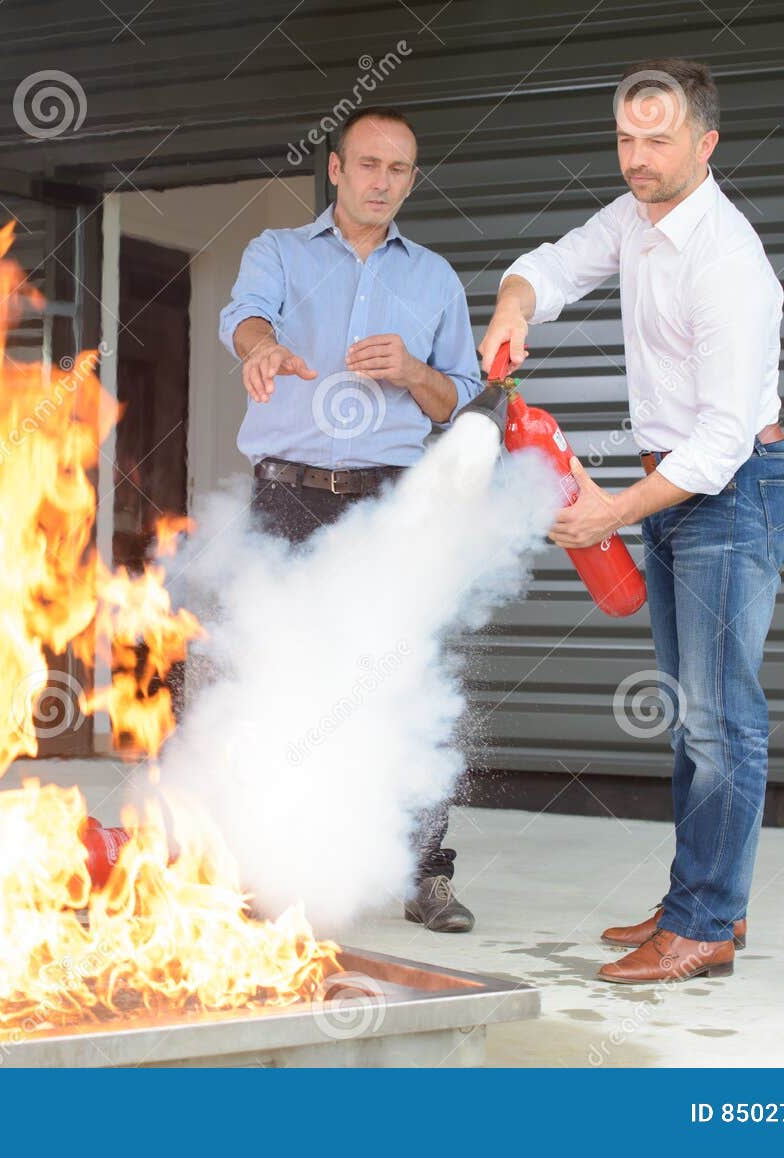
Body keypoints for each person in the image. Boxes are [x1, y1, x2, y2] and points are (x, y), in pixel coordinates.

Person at [480, 58, 784, 984]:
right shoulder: (634, 217)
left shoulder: (726, 260)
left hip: (732, 490)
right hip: (674, 488)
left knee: (721, 722)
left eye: (657, 141)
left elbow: (721, 443)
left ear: (705, 143)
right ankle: (700, 903)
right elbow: (550, 265)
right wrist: (513, 303)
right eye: (626, 138)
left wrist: (612, 512)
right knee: (691, 720)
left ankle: (704, 927)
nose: (637, 158)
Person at [219, 106, 484, 932]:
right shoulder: (279, 254)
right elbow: (245, 317)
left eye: (398, 169)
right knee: (280, 675)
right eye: (367, 164)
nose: (382, 182)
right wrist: (259, 346)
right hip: (288, 493)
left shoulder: (434, 279)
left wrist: (412, 371)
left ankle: (425, 872)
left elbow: (464, 401)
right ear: (336, 169)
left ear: (411, 178)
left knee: (407, 677)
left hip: (392, 501)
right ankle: (274, 870)